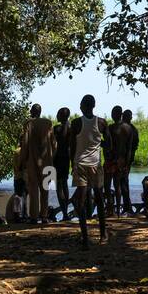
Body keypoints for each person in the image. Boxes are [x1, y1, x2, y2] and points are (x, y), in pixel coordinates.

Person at [72, 95, 107, 249]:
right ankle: (103, 234)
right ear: (93, 105)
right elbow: (109, 143)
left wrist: (70, 164)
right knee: (99, 199)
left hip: (80, 165)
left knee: (80, 202)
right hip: (95, 165)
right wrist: (99, 143)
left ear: (82, 106)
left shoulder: (76, 123)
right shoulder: (101, 123)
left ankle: (85, 238)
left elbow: (71, 146)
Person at [21, 104, 54, 223]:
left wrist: (22, 160)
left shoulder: (28, 123)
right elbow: (54, 143)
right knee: (45, 189)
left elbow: (24, 143)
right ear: (40, 112)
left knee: (33, 190)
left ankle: (34, 217)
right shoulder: (48, 123)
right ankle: (44, 216)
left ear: (31, 111)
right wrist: (51, 157)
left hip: (32, 161)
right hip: (47, 162)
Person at [50, 107, 72, 221]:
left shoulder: (57, 128)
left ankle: (64, 213)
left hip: (58, 159)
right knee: (65, 185)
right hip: (67, 159)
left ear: (61, 115)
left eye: (58, 113)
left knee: (58, 186)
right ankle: (66, 212)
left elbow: (53, 146)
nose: (57, 115)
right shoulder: (71, 128)